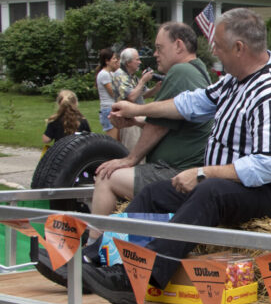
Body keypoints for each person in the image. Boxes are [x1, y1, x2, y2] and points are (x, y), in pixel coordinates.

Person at [83, 9, 271, 304]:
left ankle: (140, 278)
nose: (213, 52)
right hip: (236, 184)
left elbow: (266, 166)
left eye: (219, 47)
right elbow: (190, 104)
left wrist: (202, 173)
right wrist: (137, 110)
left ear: (239, 48)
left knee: (209, 193)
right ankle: (100, 260)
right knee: (153, 194)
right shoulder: (233, 81)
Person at [89, 22, 213, 234]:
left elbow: (159, 125)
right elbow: (172, 119)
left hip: (175, 173)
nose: (155, 54)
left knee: (105, 178)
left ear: (178, 46)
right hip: (187, 170)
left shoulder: (181, 71)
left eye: (159, 48)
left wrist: (130, 159)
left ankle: (93, 252)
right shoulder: (199, 70)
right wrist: (136, 121)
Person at [114, 47, 155, 151]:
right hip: (129, 121)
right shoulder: (119, 75)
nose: (140, 62)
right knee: (132, 150)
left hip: (138, 118)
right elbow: (131, 97)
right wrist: (143, 81)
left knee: (142, 150)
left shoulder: (133, 77)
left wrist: (158, 87)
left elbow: (144, 94)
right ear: (128, 62)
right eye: (137, 59)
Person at [95, 48, 121, 140]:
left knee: (119, 141)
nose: (116, 60)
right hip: (108, 110)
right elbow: (113, 93)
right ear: (107, 61)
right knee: (113, 142)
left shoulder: (110, 74)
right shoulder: (104, 74)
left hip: (113, 109)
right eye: (114, 58)